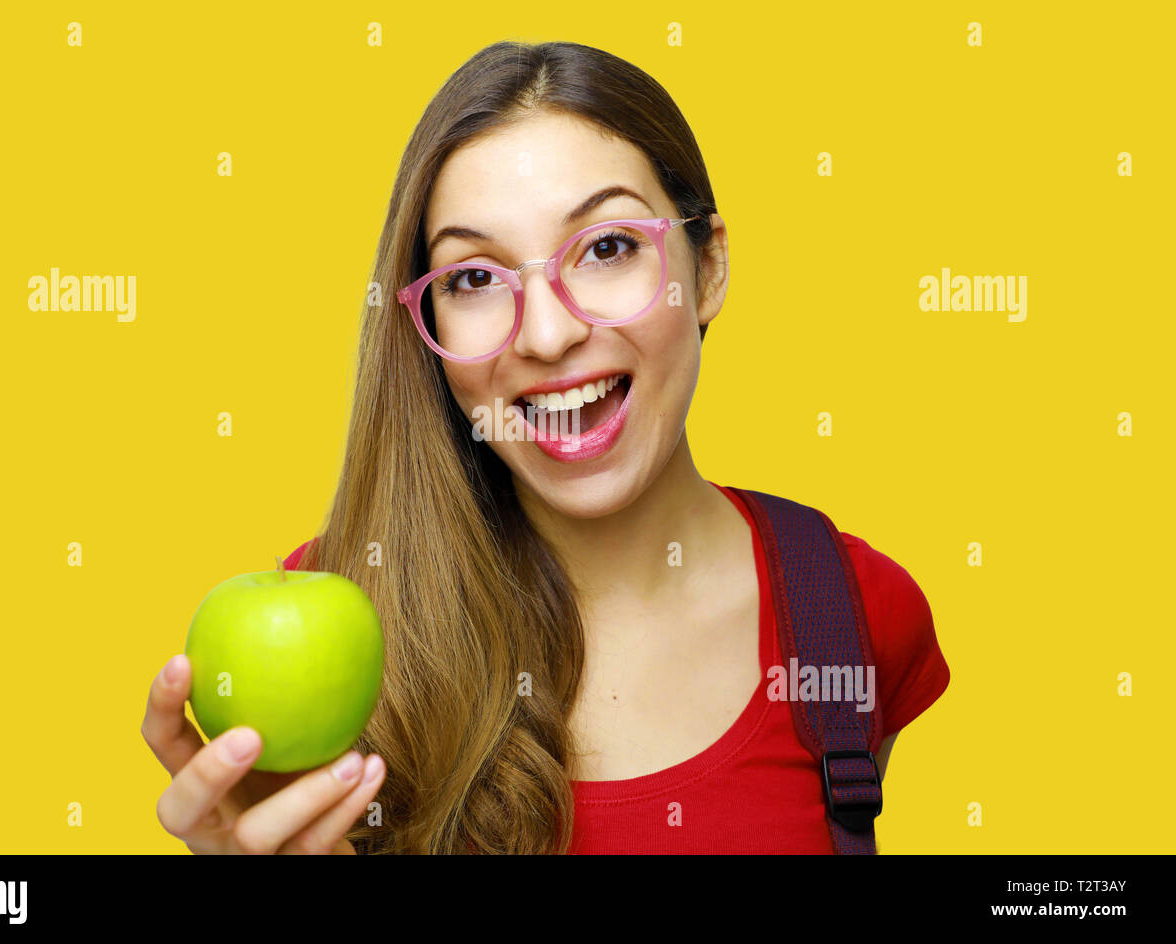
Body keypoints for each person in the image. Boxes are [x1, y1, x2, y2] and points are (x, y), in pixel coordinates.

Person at [143, 40, 949, 854]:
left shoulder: (851, 613)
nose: (550, 333)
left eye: (607, 248)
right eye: (474, 278)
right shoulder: (343, 616)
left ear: (706, 267)